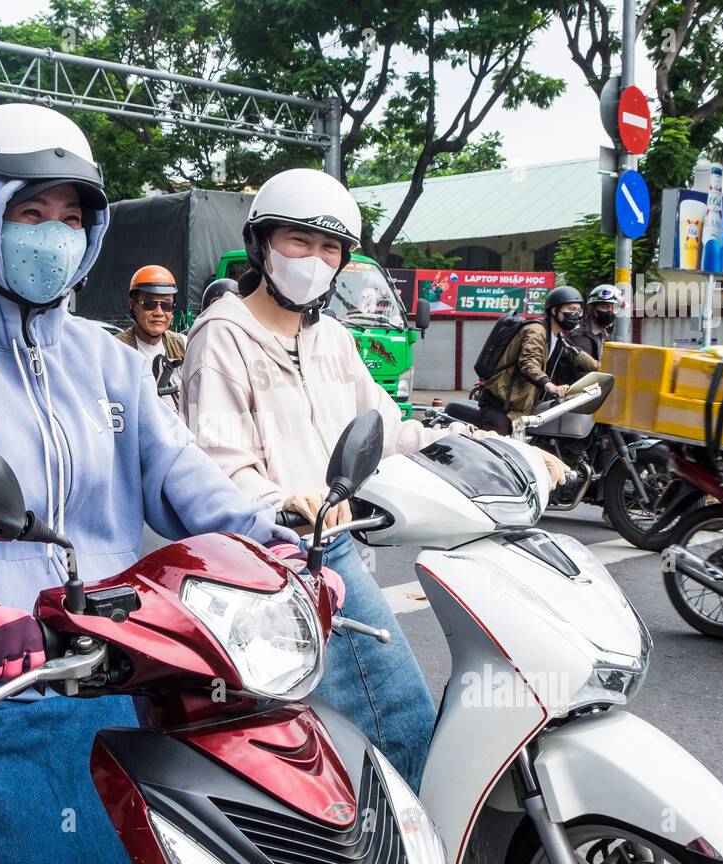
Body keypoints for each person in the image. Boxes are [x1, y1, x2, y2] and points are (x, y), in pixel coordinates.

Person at [0, 103, 303, 864]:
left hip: (104, 672)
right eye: (30, 212)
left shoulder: (105, 359)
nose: (53, 236)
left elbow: (176, 468)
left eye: (70, 218)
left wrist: (265, 539)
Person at [180, 167, 567, 789]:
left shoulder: (331, 336)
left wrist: (485, 444)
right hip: (283, 559)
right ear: (262, 246)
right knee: (397, 718)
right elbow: (220, 463)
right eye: (298, 242)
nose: (314, 259)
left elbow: (389, 429)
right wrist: (283, 500)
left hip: (338, 543)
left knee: (330, 729)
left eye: (329, 248)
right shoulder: (223, 335)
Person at [478, 285, 599, 435]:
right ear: (554, 311)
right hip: (499, 406)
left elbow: (577, 355)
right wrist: (550, 386)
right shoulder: (536, 331)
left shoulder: (557, 337)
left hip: (519, 410)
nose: (576, 314)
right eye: (571, 309)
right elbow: (528, 364)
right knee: (497, 452)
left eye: (579, 310)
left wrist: (605, 369)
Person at [115, 265, 186, 412]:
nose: (159, 312)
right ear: (132, 306)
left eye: (166, 305)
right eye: (149, 304)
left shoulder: (184, 346)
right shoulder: (115, 349)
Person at [552, 284, 620, 387]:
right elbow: (581, 375)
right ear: (591, 308)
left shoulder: (604, 336)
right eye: (605, 306)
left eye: (613, 307)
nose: (610, 311)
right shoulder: (580, 337)